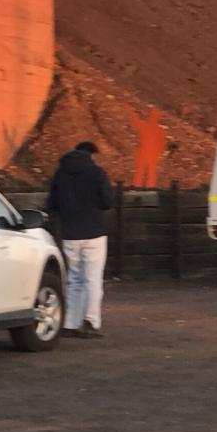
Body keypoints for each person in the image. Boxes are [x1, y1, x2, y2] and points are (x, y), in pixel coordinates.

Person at [46, 140, 116, 338]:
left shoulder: (60, 174)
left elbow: (52, 204)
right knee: (92, 279)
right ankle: (91, 322)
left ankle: (70, 323)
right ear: (91, 154)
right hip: (94, 233)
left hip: (70, 234)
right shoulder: (96, 172)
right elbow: (108, 201)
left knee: (74, 280)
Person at [130, 107, 169, 188]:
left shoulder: (146, 126)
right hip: (152, 156)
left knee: (141, 172)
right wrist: (159, 154)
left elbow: (136, 122)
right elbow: (163, 144)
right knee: (150, 173)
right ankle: (149, 188)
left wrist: (132, 112)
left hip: (143, 155)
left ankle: (137, 188)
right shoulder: (160, 131)